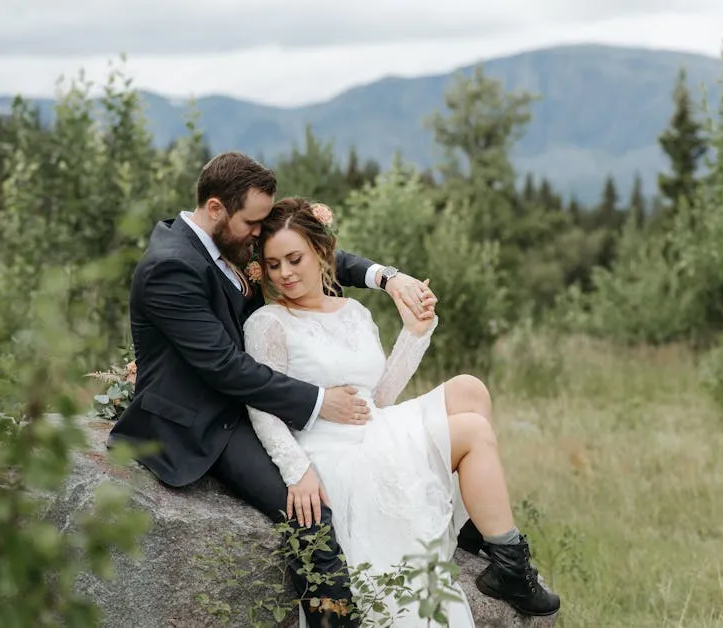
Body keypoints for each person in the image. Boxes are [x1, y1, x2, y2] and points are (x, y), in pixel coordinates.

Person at [107, 151, 436, 628]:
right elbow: (225, 369)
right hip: (204, 420)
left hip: (247, 406)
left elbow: (307, 253)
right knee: (311, 515)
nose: (260, 236)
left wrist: (384, 277)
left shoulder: (225, 245)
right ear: (217, 209)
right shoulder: (170, 266)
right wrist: (319, 403)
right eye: (254, 223)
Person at [242, 197, 561, 626]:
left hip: (375, 427)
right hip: (332, 451)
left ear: (322, 251)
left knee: (470, 388)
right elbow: (261, 406)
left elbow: (380, 397)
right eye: (274, 264)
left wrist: (416, 333)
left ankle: (475, 532)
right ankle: (511, 564)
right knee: (470, 432)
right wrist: (295, 470)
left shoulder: (353, 310)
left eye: (294, 259)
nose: (285, 273)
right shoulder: (268, 323)